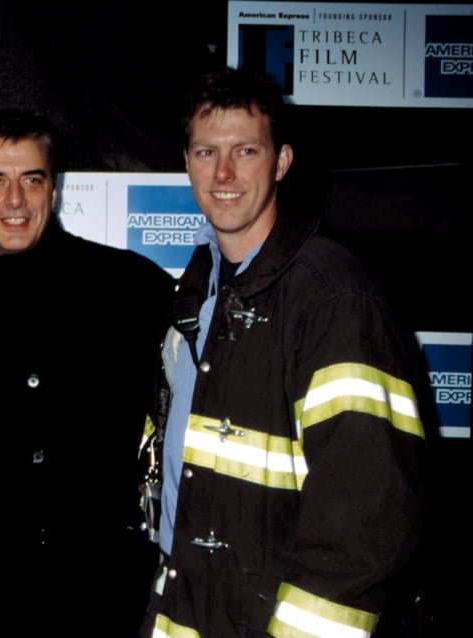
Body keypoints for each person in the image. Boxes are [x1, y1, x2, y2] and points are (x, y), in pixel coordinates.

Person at [139, 66, 426, 638]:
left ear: (282, 162)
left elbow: (364, 525)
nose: (223, 173)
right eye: (206, 152)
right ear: (188, 162)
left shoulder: (336, 301)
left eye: (245, 151)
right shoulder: (197, 289)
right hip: (189, 609)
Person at [0, 109, 175, 636]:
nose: (14, 200)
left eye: (31, 180)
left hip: (105, 597)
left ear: (53, 191)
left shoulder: (130, 288)